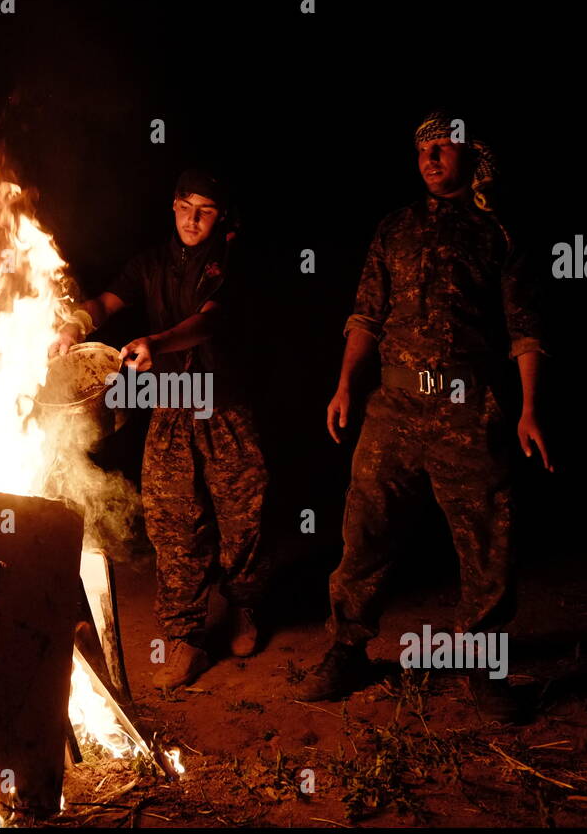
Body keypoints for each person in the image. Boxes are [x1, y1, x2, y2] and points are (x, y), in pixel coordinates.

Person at [297, 110, 553, 717]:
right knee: (364, 531)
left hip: (469, 406)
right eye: (422, 150)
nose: (432, 158)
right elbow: (365, 317)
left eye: (445, 147)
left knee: (487, 540)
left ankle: (483, 668)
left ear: (472, 155)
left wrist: (530, 411)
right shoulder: (393, 228)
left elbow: (526, 331)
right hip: (393, 403)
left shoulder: (500, 235)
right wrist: (344, 388)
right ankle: (348, 649)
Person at [51, 169, 269, 689]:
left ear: (221, 216)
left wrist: (155, 341)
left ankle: (244, 608)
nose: (194, 219)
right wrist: (73, 326)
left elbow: (208, 322)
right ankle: (185, 638)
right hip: (171, 405)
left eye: (206, 210)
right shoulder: (150, 262)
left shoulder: (231, 261)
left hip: (226, 405)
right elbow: (106, 303)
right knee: (173, 523)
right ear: (173, 206)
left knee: (241, 518)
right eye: (186, 207)